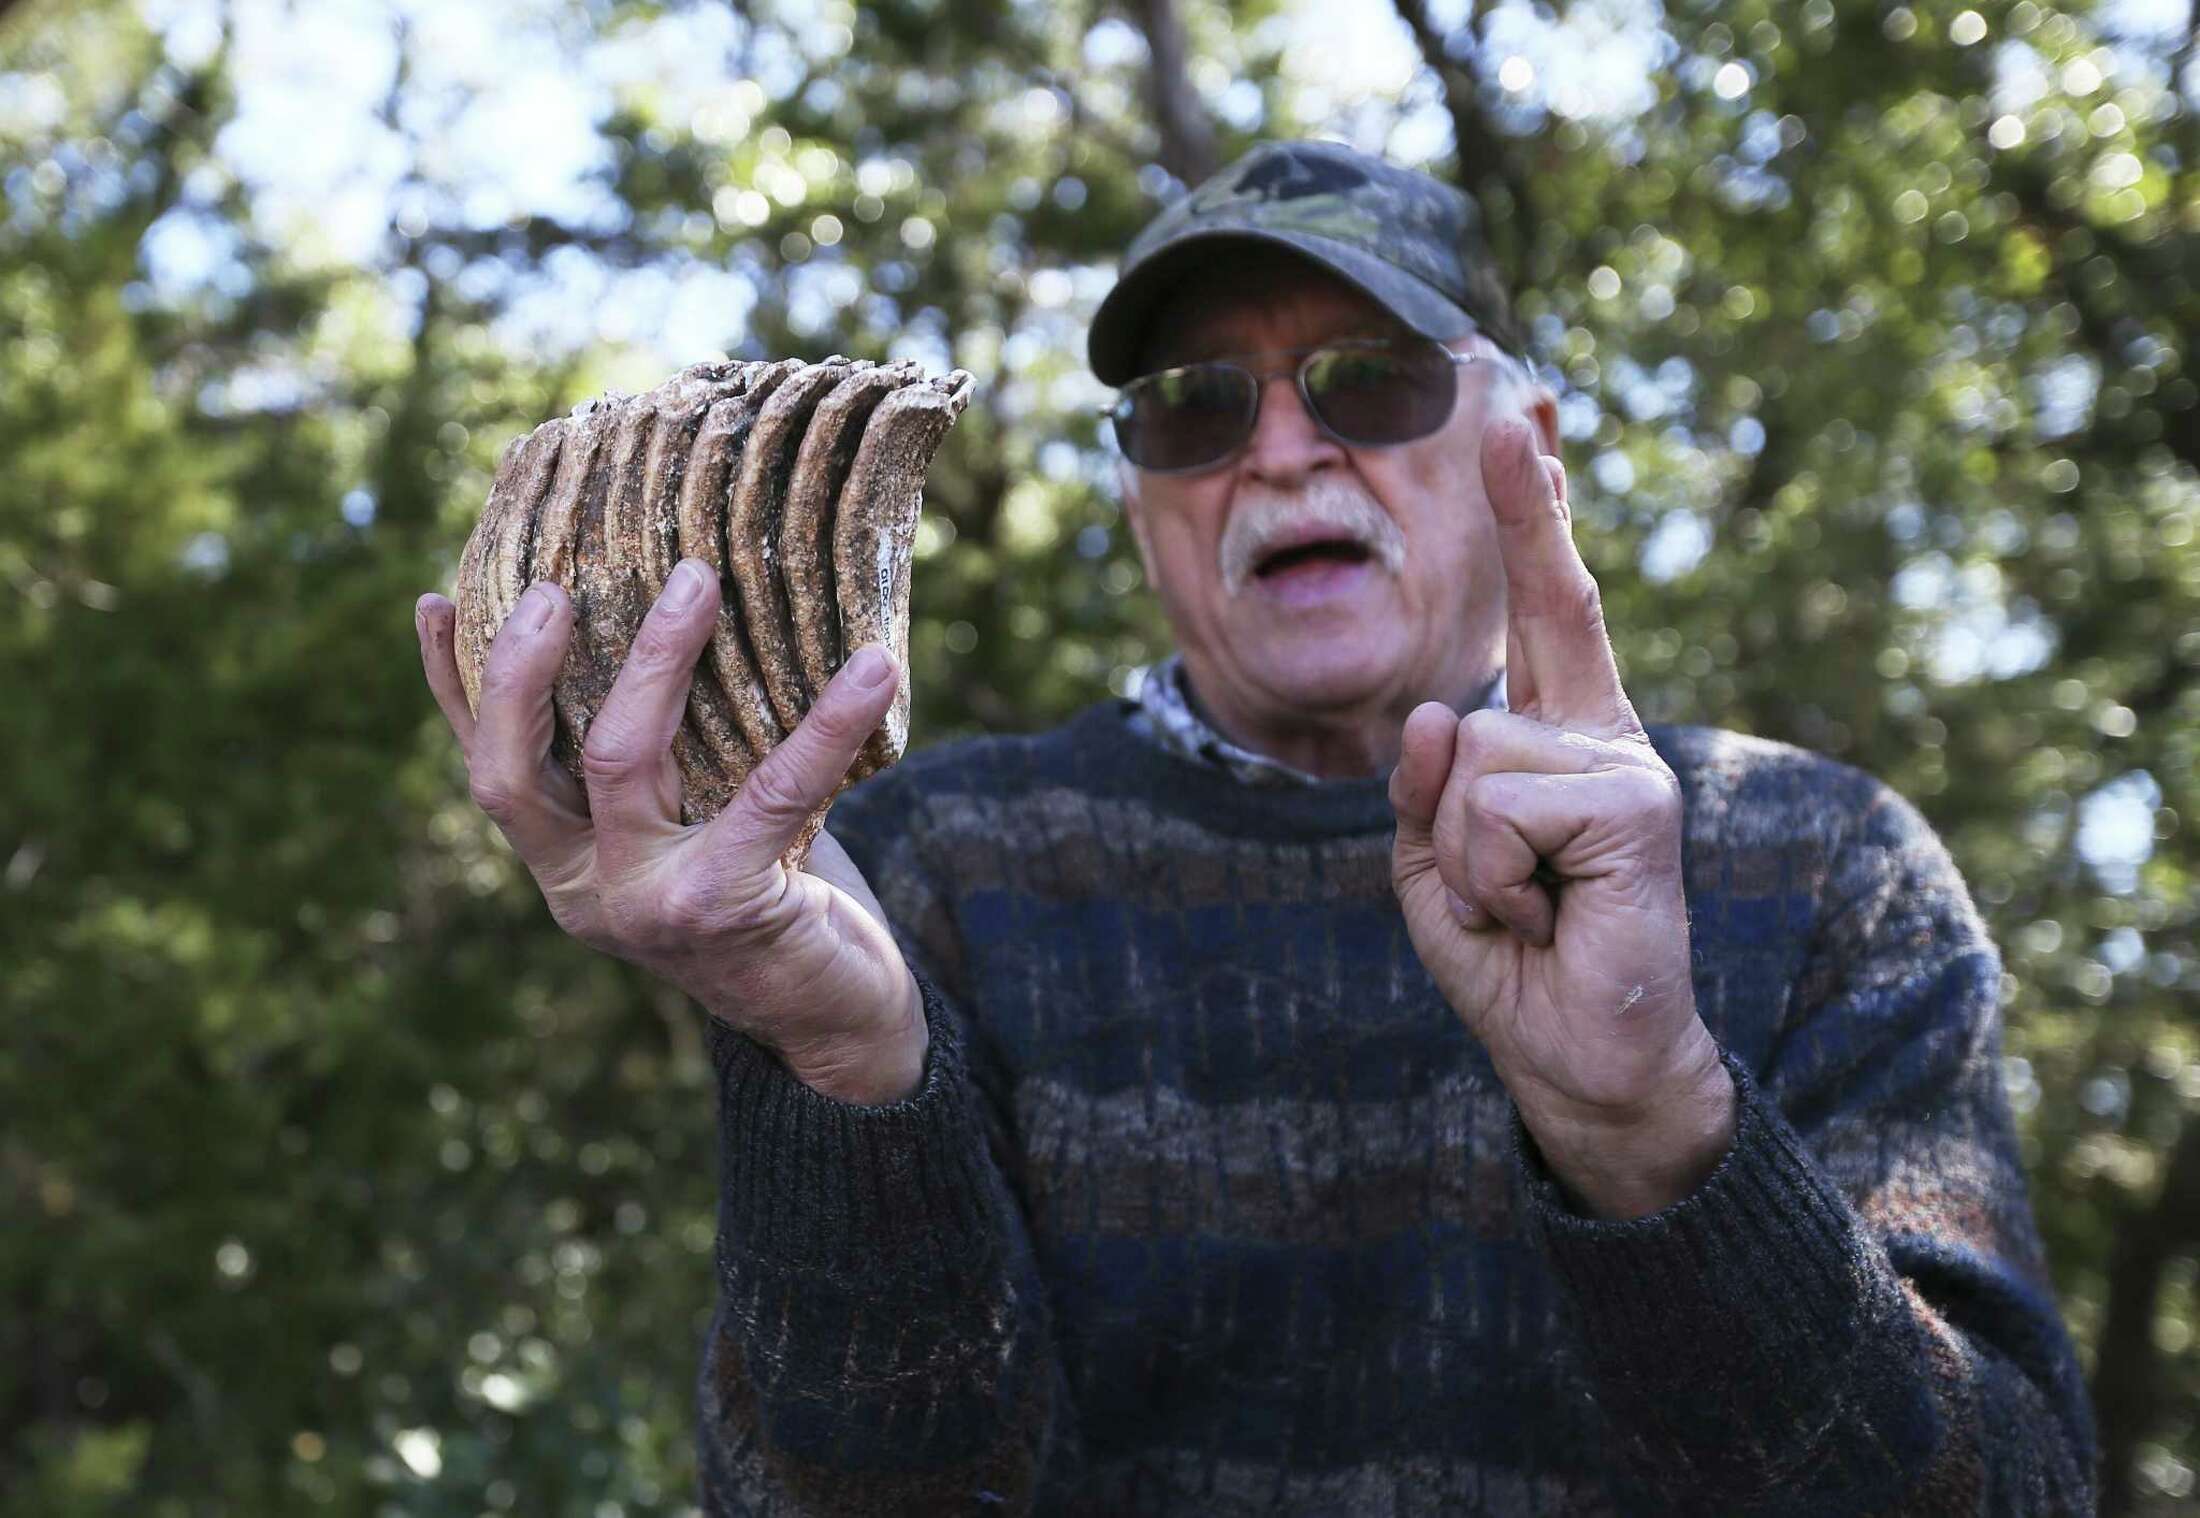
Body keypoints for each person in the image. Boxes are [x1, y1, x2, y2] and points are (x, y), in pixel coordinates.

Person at [413, 141, 2098, 1514]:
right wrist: (856, 1088)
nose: (1281, 450)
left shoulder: (1810, 863)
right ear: (1142, 492)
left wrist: (1659, 1130)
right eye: (1195, 407)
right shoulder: (900, 873)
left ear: (1527, 441)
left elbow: (2007, 1488)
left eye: (1368, 383)